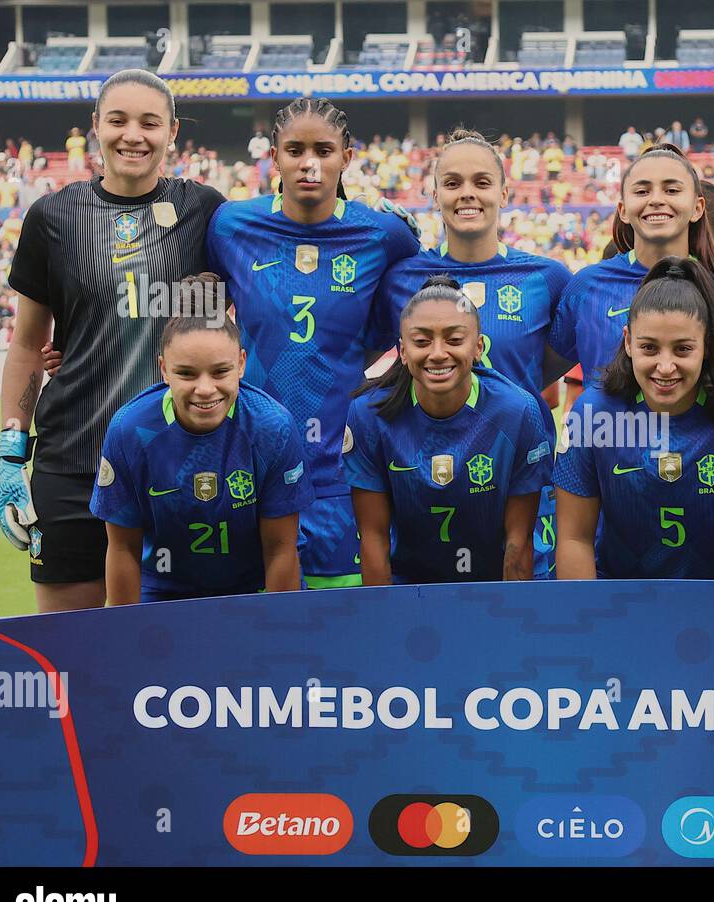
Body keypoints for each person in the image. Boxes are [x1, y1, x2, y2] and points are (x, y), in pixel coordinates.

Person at [0, 69, 225, 612]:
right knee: (68, 651)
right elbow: (30, 344)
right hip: (71, 459)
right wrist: (11, 454)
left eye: (150, 123)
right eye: (118, 120)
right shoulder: (53, 216)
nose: (133, 135)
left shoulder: (207, 211)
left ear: (173, 131)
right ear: (95, 127)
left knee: (177, 649)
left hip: (179, 459)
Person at [206, 96, 421, 590]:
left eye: (324, 151)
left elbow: (408, 323)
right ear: (274, 156)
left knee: (341, 636)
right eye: (295, 150)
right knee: (254, 641)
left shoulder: (383, 233)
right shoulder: (231, 226)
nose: (309, 163)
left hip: (339, 478)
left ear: (347, 157)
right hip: (249, 467)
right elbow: (198, 318)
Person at [372, 128, 573, 578]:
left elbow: (552, 363)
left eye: (482, 183)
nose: (468, 194)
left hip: (516, 480)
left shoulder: (547, 277)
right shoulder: (400, 279)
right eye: (453, 183)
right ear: (434, 191)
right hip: (425, 479)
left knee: (518, 619)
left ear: (504, 190)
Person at [553, 257, 714, 581]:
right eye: (649, 348)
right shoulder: (592, 415)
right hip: (623, 607)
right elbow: (574, 540)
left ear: (707, 345)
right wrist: (590, 624)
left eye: (682, 349)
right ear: (627, 342)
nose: (665, 367)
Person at [91, 279, 314, 604]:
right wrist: (126, 634)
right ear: (164, 370)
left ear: (240, 364)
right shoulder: (130, 429)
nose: (206, 389)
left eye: (220, 371)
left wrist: (277, 630)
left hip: (254, 591)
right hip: (164, 592)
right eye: (187, 374)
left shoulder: (272, 426)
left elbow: (280, 549)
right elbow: (123, 547)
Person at [345, 276, 553, 583]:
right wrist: (387, 624)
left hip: (495, 585)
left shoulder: (518, 412)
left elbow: (517, 543)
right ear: (402, 351)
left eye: (454, 340)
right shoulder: (368, 415)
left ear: (478, 347)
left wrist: (511, 621)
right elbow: (374, 539)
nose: (438, 353)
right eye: (422, 341)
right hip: (412, 587)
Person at [548, 144, 714, 387]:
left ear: (697, 208)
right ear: (623, 210)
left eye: (672, 190)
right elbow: (536, 376)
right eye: (642, 191)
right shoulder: (587, 286)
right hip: (611, 426)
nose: (656, 200)